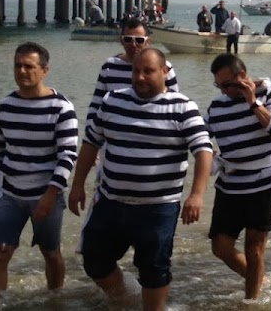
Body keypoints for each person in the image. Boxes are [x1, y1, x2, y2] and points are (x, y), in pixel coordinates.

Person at [69, 48, 213, 311]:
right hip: (111, 202)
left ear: (164, 72)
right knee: (94, 261)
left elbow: (204, 151)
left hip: (158, 206)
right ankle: (128, 298)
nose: (141, 77)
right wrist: (77, 185)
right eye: (136, 71)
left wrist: (197, 194)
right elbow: (91, 143)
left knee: (154, 270)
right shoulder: (112, 101)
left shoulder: (183, 107)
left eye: (148, 71)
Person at [0, 42, 77, 294]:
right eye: (17, 65)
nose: (22, 71)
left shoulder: (61, 108)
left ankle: (55, 299)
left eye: (29, 66)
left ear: (44, 70)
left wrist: (50, 195)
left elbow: (67, 156)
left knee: (50, 253)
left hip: (46, 195)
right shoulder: (5, 106)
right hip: (9, 195)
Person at [204, 54, 271, 301]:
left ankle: (250, 302)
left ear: (242, 77)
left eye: (228, 84)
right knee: (220, 247)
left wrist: (253, 102)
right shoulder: (217, 106)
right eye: (219, 85)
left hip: (265, 182)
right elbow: (198, 137)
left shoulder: (269, 92)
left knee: (254, 248)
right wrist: (212, 156)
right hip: (230, 184)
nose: (224, 90)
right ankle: (260, 279)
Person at [89, 19, 181, 130]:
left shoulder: (164, 68)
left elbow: (176, 105)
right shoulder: (109, 67)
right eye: (128, 39)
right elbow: (96, 106)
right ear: (121, 41)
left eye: (139, 40)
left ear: (148, 42)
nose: (133, 44)